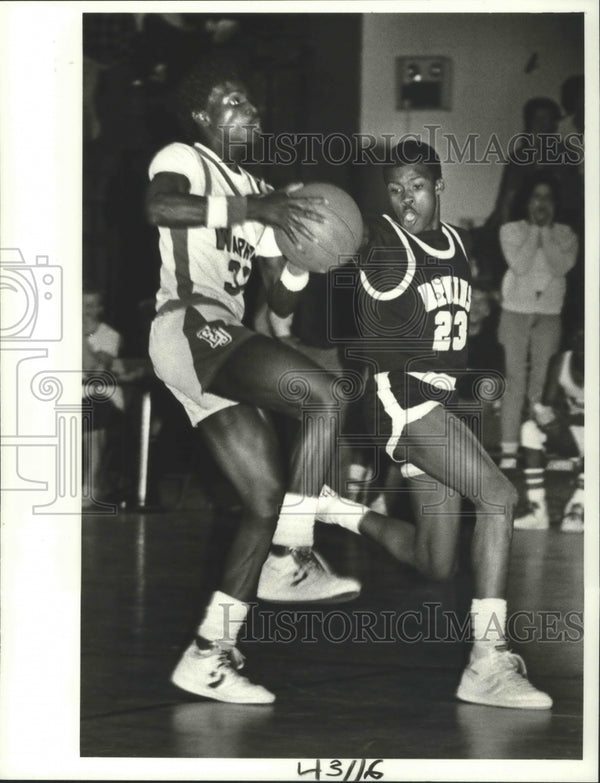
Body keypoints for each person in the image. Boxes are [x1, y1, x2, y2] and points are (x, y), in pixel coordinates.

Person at [145, 55, 359, 704]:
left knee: (264, 499)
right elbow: (162, 206)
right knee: (325, 394)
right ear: (202, 116)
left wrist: (309, 252)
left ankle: (209, 652)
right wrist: (258, 206)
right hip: (188, 323)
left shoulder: (259, 191)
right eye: (233, 101)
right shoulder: (181, 155)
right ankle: (294, 556)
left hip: (215, 347)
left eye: (252, 102)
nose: (250, 110)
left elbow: (282, 305)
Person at [314, 139, 552, 709]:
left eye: (415, 187)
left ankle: (331, 506)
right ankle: (488, 661)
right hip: (402, 402)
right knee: (498, 497)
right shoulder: (383, 241)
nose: (404, 201)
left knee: (435, 559)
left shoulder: (458, 245)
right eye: (394, 190)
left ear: (439, 187)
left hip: (439, 404)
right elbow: (361, 234)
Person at [497, 174, 578, 469]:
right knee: (514, 381)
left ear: (556, 204)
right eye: (536, 197)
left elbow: (561, 266)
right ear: (527, 201)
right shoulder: (511, 229)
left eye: (547, 198)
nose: (542, 203)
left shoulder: (567, 233)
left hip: (549, 314)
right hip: (515, 312)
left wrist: (546, 232)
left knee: (541, 385)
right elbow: (519, 265)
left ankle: (535, 448)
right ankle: (508, 453)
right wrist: (535, 230)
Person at [513, 329, 584, 532]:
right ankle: (538, 509)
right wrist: (545, 414)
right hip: (570, 433)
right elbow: (548, 401)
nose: (583, 342)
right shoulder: (561, 360)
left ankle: (578, 508)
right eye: (579, 336)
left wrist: (566, 419)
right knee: (529, 429)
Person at [82, 287, 125, 508]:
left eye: (90, 305)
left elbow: (96, 371)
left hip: (103, 396)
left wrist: (78, 336)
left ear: (100, 308)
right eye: (81, 305)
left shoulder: (109, 335)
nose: (85, 311)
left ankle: (89, 487)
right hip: (74, 395)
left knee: (92, 409)